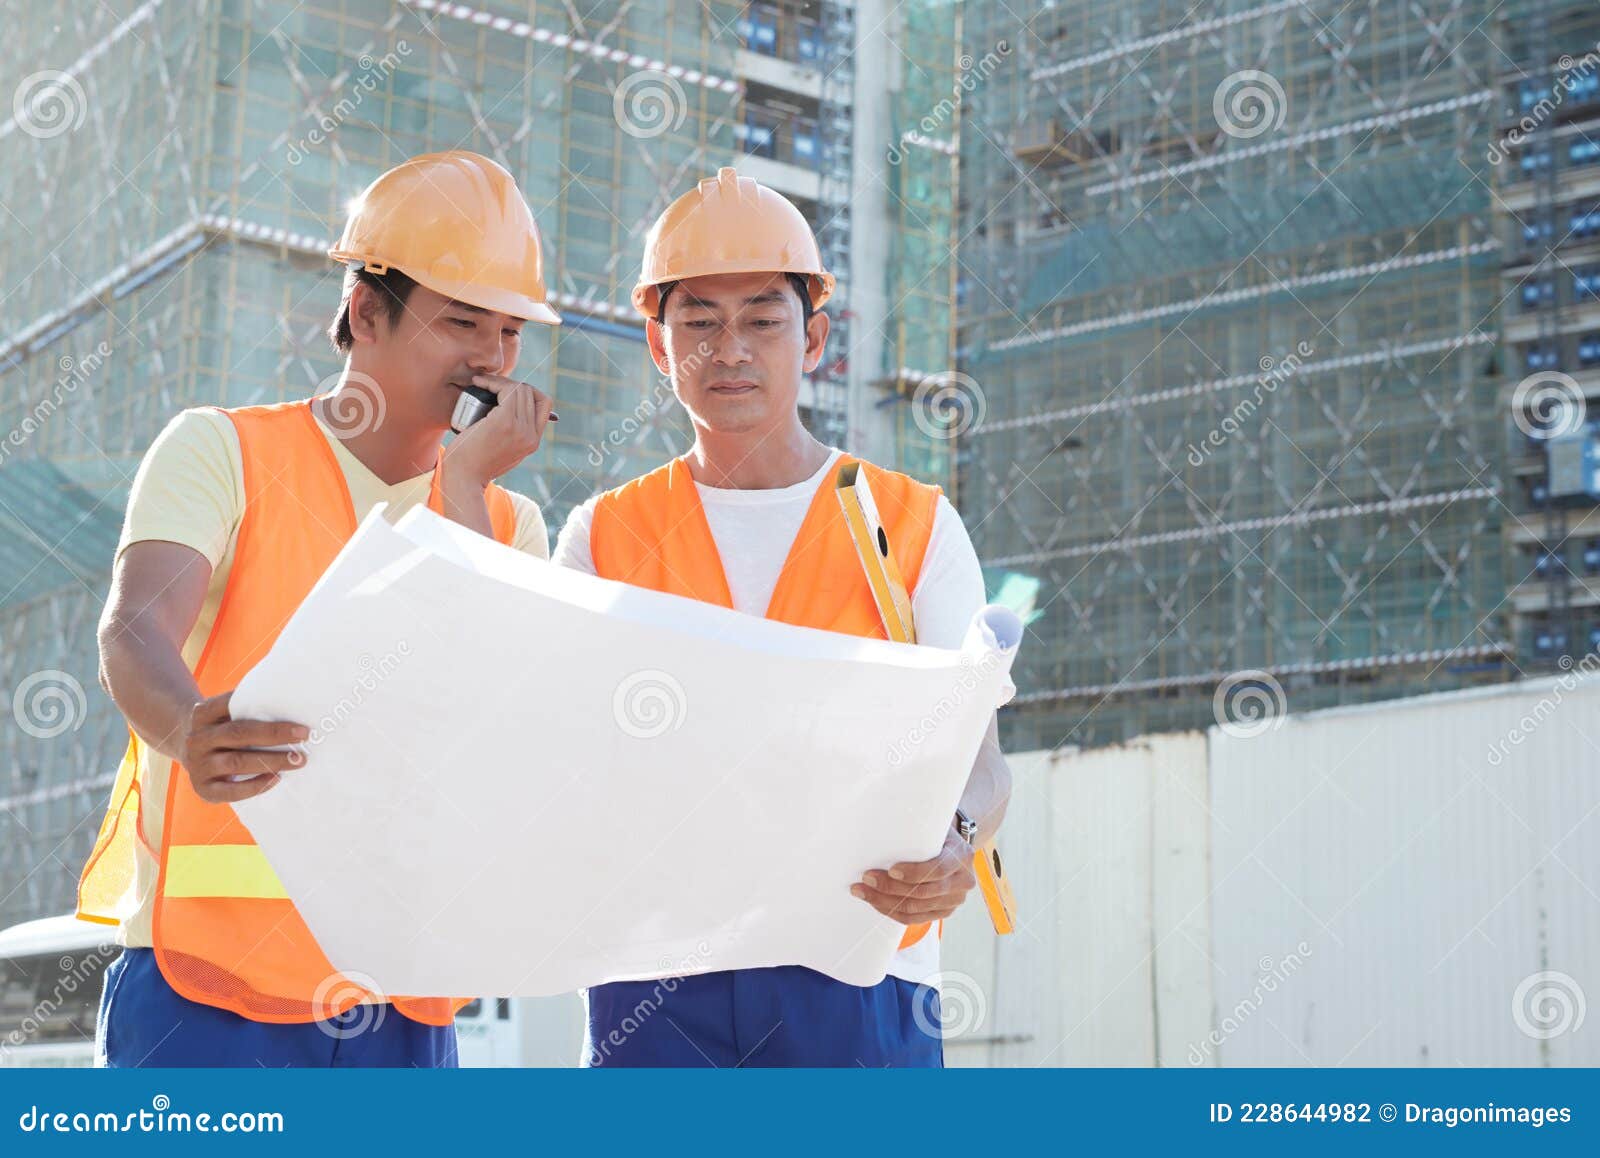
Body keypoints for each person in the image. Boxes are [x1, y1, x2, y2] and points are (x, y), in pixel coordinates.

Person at [78, 151, 559, 1067]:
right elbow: (135, 628)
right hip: (208, 990)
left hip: (406, 995)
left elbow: (495, 715)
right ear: (366, 311)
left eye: (509, 333)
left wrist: (459, 485)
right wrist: (186, 730)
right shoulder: (221, 451)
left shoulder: (507, 516)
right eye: (463, 322)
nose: (491, 360)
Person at [554, 168, 1011, 1067]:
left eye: (763, 320)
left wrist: (956, 843)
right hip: (655, 977)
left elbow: (983, 762)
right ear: (658, 343)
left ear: (816, 341)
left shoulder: (912, 524)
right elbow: (561, 750)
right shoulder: (602, 536)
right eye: (700, 323)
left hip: (863, 970)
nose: (730, 350)